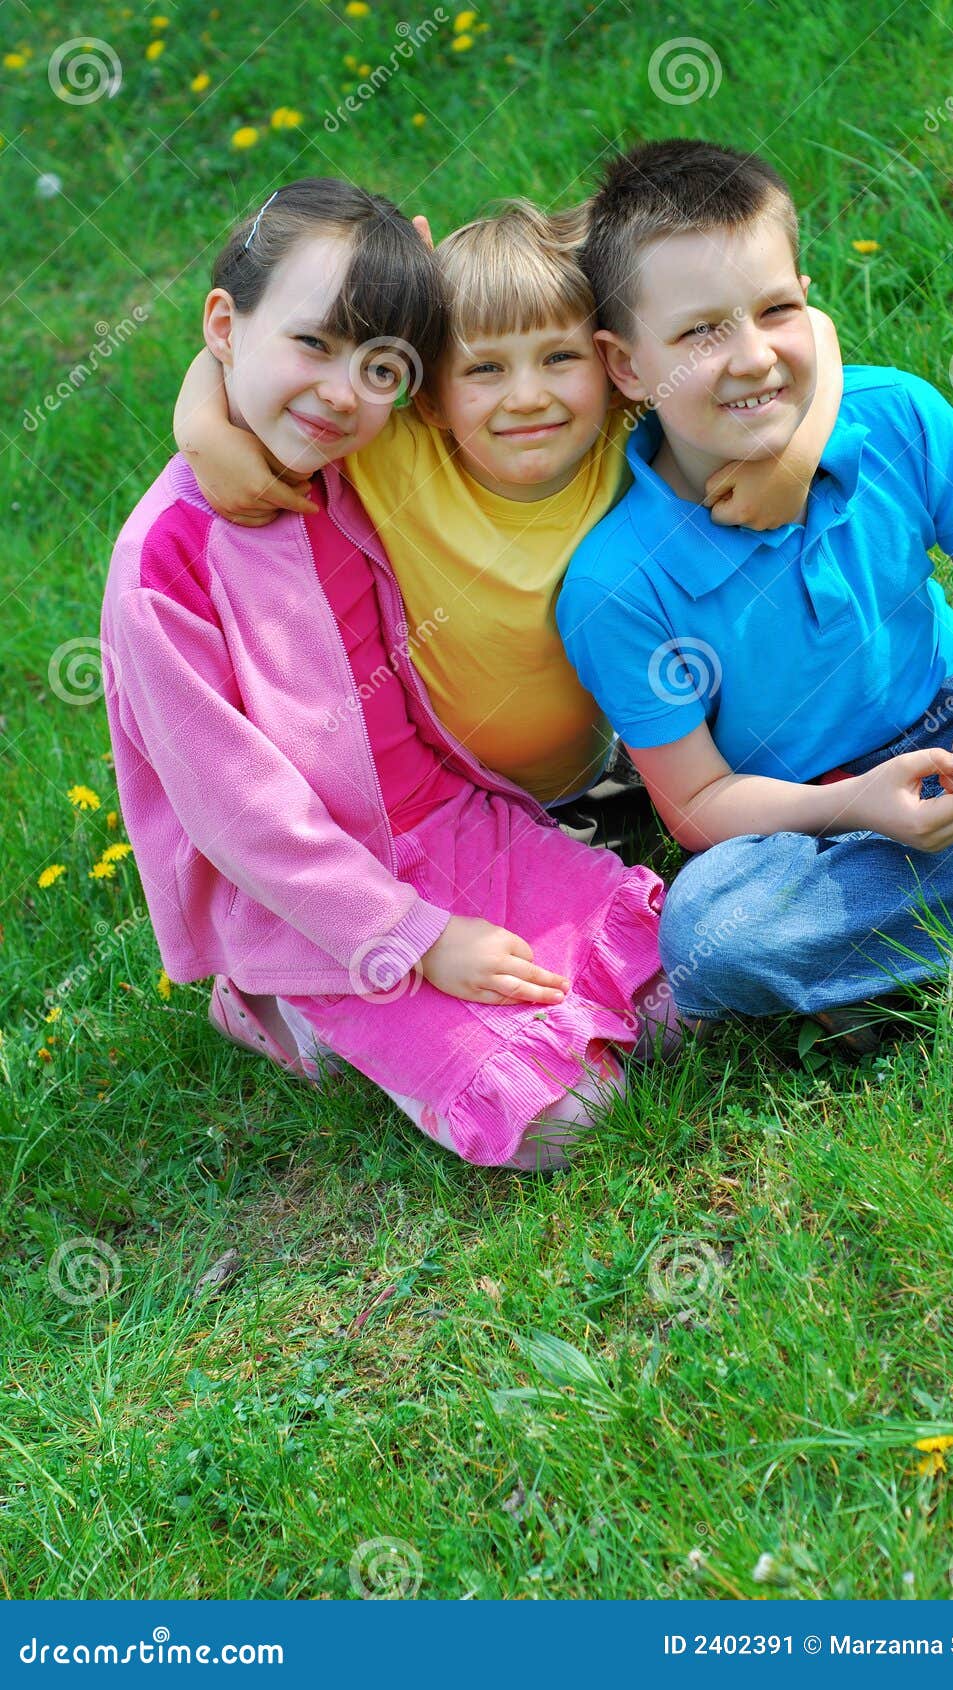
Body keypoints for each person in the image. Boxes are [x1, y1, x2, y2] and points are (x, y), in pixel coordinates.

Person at [100, 177, 675, 1173]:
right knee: (565, 1117)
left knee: (681, 990)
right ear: (223, 327)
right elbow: (239, 816)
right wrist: (415, 937)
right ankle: (281, 1002)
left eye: (376, 366)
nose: (340, 393)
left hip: (451, 818)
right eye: (313, 345)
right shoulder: (166, 560)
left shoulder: (353, 464)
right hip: (315, 900)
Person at [557, 139, 953, 1037]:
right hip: (810, 827)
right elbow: (700, 808)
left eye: (774, 310)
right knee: (714, 935)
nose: (752, 357)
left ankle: (890, 961)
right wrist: (853, 805)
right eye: (700, 332)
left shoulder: (897, 417)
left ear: (808, 299)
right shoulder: (615, 585)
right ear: (626, 365)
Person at [173, 200, 845, 812]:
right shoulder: (395, 450)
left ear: (614, 371)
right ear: (429, 397)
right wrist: (201, 427)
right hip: (449, 795)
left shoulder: (623, 431)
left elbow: (811, 323)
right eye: (485, 369)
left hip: (615, 766)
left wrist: (794, 458)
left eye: (559, 357)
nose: (527, 398)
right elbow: (245, 349)